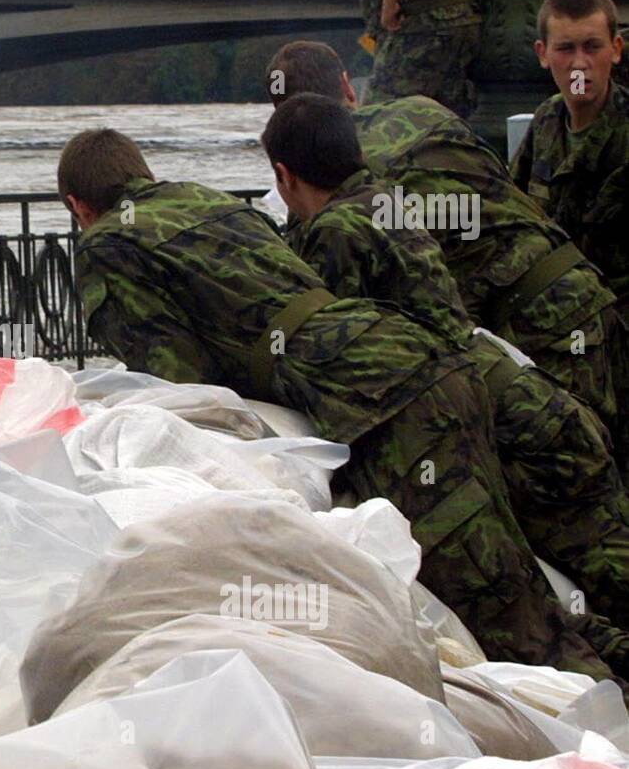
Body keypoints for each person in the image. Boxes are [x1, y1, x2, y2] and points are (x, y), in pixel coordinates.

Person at [62, 126, 625, 685]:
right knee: (511, 581)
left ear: (76, 205)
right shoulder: (207, 200)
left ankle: (600, 718)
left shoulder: (107, 244)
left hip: (382, 399)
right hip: (414, 363)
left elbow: (179, 378)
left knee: (493, 604)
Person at [270, 92, 629, 639]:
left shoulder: (336, 233)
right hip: (528, 399)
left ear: (283, 176)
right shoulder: (387, 200)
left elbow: (341, 358)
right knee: (596, 566)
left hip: (508, 423)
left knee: (553, 590)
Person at [266, 39, 626, 457]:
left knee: (583, 476)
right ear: (348, 86)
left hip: (530, 333)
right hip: (584, 292)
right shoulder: (423, 109)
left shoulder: (335, 187)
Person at [512, 0, 629, 403]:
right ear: (543, 54)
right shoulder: (546, 122)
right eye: (566, 49)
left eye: (592, 47)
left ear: (615, 50)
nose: (580, 63)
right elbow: (515, 214)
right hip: (551, 328)